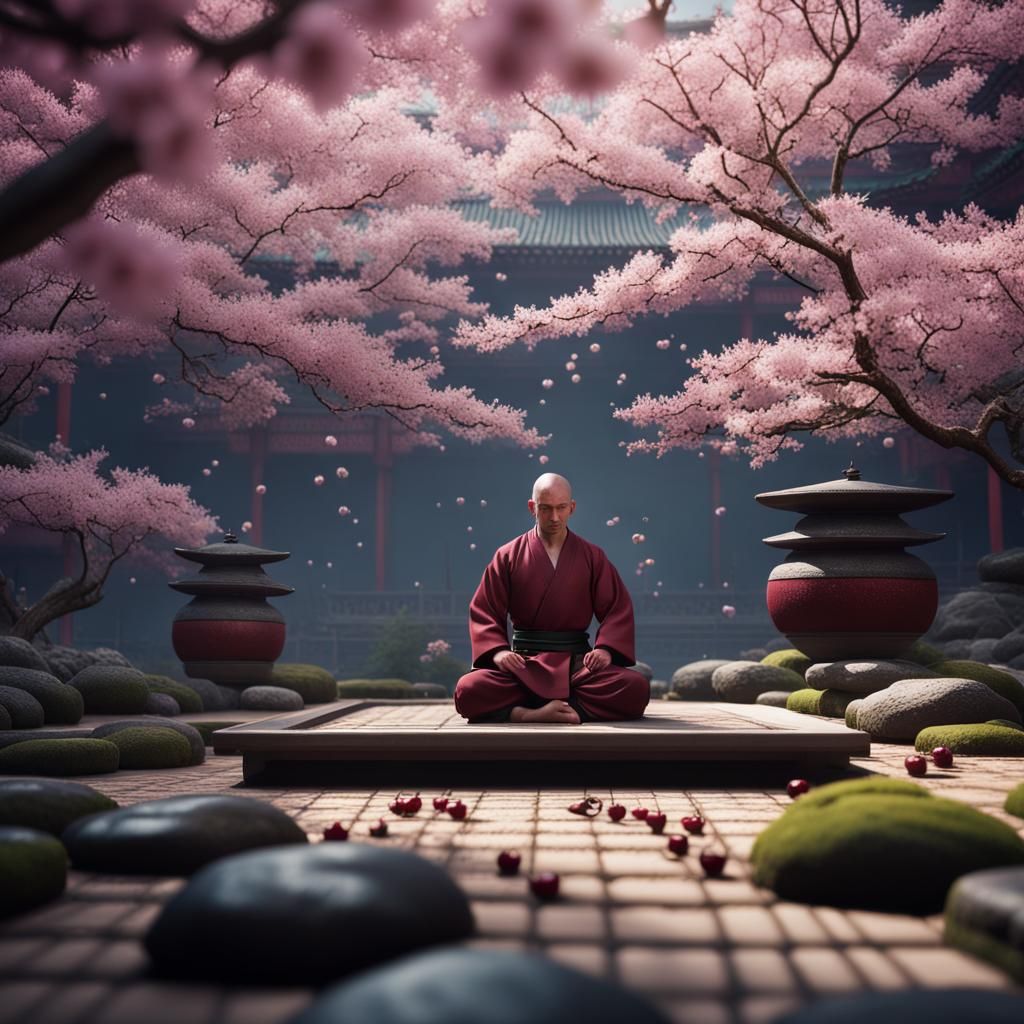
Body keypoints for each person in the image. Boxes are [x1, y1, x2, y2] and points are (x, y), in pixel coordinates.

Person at [454, 473, 650, 724]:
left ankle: (557, 711)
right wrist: (499, 653)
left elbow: (617, 609)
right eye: (546, 509)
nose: (554, 517)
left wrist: (605, 650)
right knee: (468, 689)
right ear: (532, 507)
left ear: (572, 507)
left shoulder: (592, 556)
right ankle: (529, 714)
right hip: (523, 664)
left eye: (561, 508)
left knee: (635, 688)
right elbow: (485, 611)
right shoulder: (507, 555)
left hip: (577, 666)